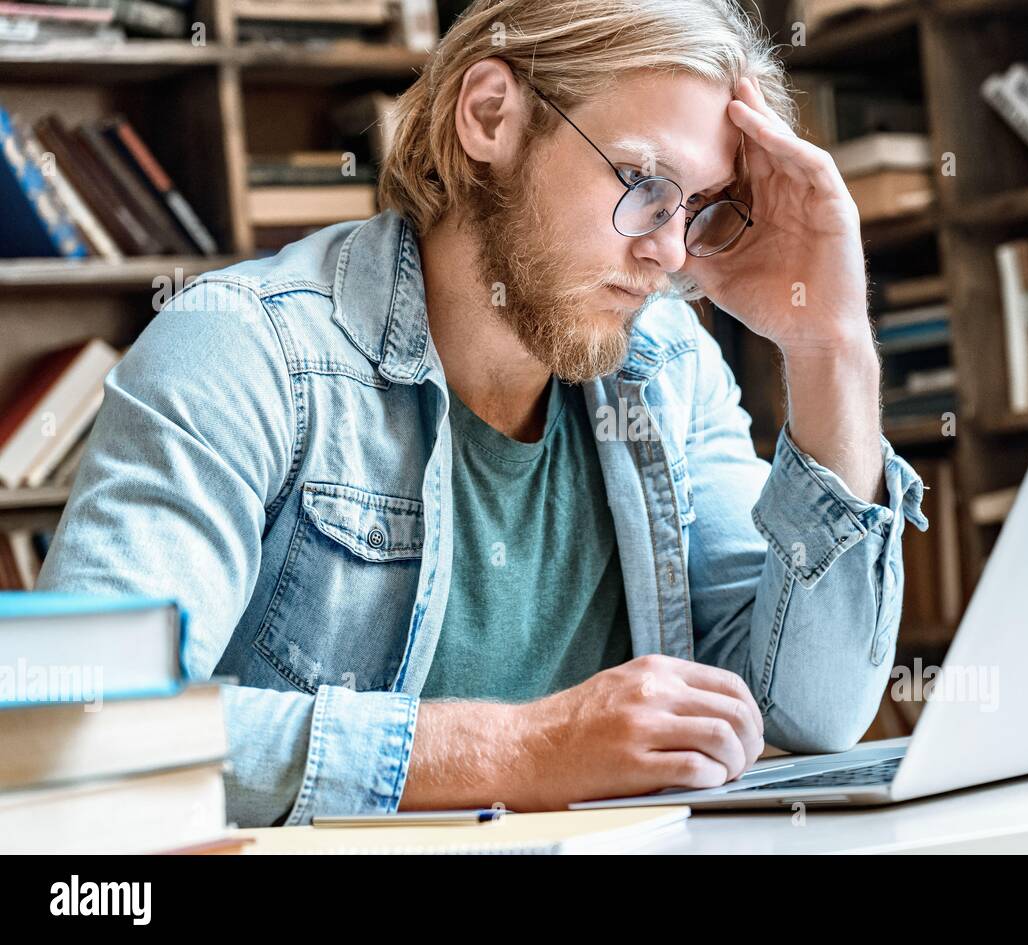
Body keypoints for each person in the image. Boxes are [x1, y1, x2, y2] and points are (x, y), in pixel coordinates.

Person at [37, 0, 927, 826]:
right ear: (491, 115)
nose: (666, 253)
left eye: (698, 210)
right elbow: (82, 727)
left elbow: (810, 711)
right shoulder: (240, 349)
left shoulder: (673, 370)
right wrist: (524, 749)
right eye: (644, 182)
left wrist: (832, 347)